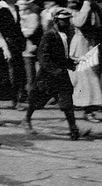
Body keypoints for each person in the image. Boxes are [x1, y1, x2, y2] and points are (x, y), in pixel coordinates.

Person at [24, 8, 80, 140]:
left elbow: (62, 55)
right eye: (63, 20)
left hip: (60, 73)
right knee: (37, 99)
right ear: (56, 20)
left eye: (68, 20)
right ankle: (26, 119)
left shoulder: (65, 34)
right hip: (47, 75)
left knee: (67, 100)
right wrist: (54, 70)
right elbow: (43, 56)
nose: (67, 22)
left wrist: (69, 63)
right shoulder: (49, 34)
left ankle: (73, 128)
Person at [69, 0, 102, 123]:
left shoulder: (96, 9)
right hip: (80, 44)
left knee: (91, 78)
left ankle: (89, 110)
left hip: (92, 45)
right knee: (79, 78)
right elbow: (78, 23)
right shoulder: (76, 10)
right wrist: (86, 5)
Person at [0, 0, 27, 108]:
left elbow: (17, 26)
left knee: (16, 71)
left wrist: (21, 41)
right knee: (0, 70)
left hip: (15, 44)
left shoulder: (15, 8)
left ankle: (15, 99)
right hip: (4, 43)